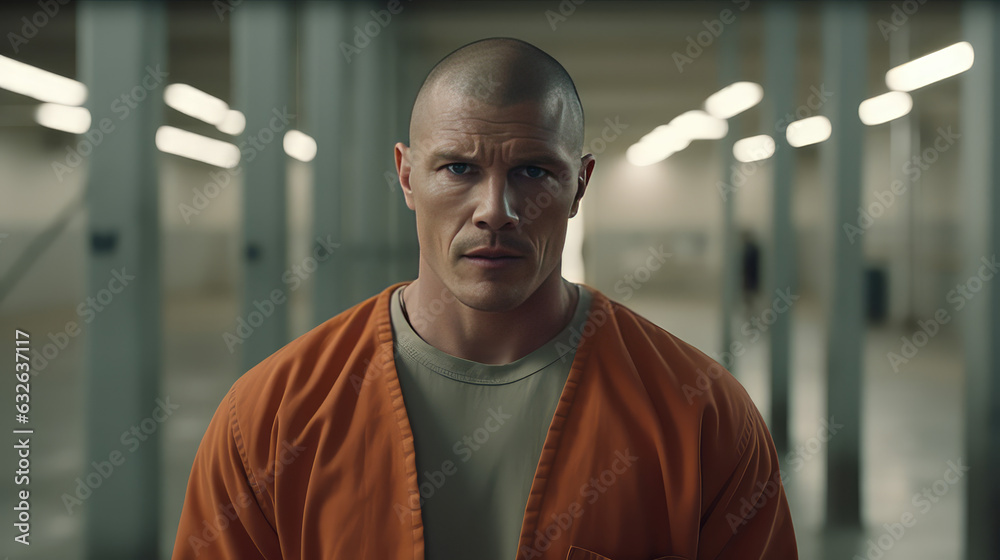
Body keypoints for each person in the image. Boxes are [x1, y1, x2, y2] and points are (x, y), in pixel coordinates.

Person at [171, 37, 798, 560]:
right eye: (459, 168)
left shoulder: (701, 416)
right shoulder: (271, 417)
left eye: (534, 171)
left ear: (579, 185)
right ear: (406, 175)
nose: (495, 211)